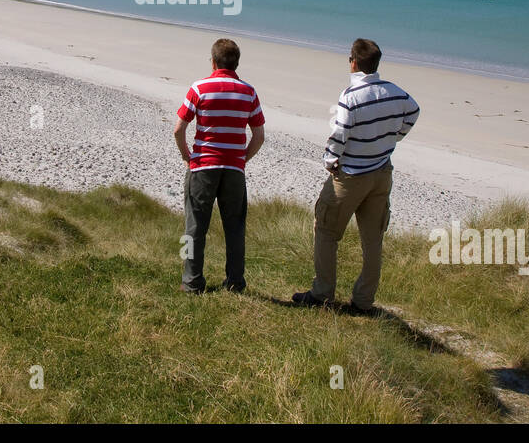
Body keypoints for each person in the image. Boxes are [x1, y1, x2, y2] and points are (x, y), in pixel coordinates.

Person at [292, 38, 420, 313]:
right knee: (373, 239)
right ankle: (363, 301)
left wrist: (330, 160)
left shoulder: (350, 96)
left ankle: (322, 293)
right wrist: (394, 137)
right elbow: (413, 112)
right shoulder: (395, 91)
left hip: (351, 175)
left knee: (326, 230)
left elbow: (339, 134)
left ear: (353, 62)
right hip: (381, 171)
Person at [173, 38, 265, 294]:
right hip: (233, 170)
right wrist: (242, 159)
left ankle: (191, 282)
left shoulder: (200, 88)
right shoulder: (248, 92)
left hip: (203, 166)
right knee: (235, 227)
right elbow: (259, 136)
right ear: (236, 62)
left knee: (194, 226)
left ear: (213, 62)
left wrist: (186, 156)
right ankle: (235, 282)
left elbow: (179, 129)